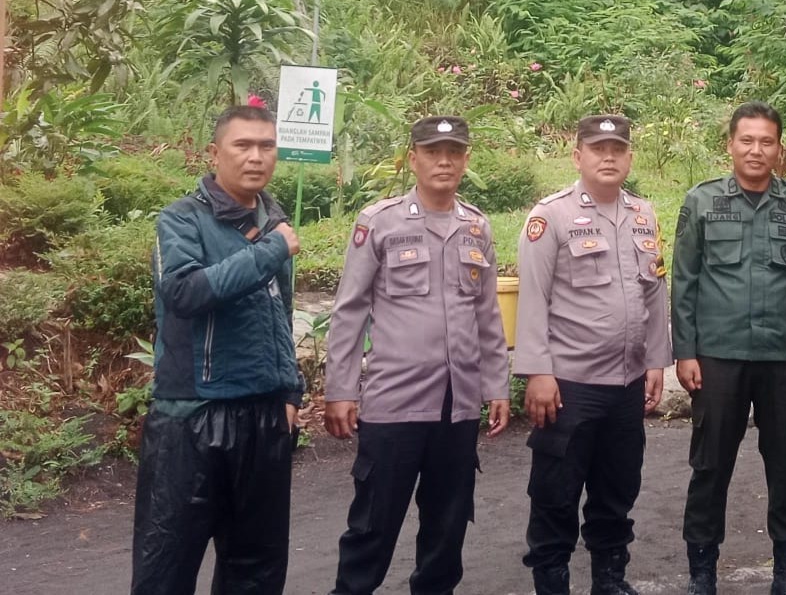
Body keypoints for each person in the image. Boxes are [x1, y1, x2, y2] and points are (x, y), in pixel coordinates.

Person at [324, 116, 511, 595]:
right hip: (394, 403)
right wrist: (341, 389)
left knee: (447, 532)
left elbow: (488, 315)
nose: (444, 160)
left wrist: (496, 385)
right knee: (372, 527)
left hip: (459, 405)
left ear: (466, 160)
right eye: (432, 151)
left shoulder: (477, 227)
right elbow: (350, 311)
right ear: (413, 159)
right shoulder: (379, 222)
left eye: (454, 152)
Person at [131, 104, 305, 594]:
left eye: (267, 146)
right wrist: (271, 251)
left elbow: (281, 315)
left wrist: (292, 392)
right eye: (242, 146)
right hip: (192, 417)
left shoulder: (274, 219)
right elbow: (184, 294)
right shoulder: (181, 220)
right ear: (214, 153)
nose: (256, 157)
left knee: (257, 566)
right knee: (166, 565)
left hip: (265, 417)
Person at [671, 101, 786, 595]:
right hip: (718, 356)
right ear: (730, 145)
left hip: (783, 358)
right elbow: (684, 281)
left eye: (766, 142)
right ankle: (702, 573)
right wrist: (685, 350)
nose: (756, 150)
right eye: (747, 140)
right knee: (710, 465)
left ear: (779, 149)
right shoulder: (701, 202)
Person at [515, 115, 670, 595]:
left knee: (616, 490)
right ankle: (552, 581)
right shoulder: (551, 216)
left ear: (629, 157)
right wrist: (538, 372)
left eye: (617, 149)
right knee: (556, 494)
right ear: (577, 155)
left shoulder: (644, 214)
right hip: (569, 385)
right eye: (598, 148)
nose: (608, 157)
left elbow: (655, 295)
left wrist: (656, 361)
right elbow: (533, 298)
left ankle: (610, 579)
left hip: (625, 385)